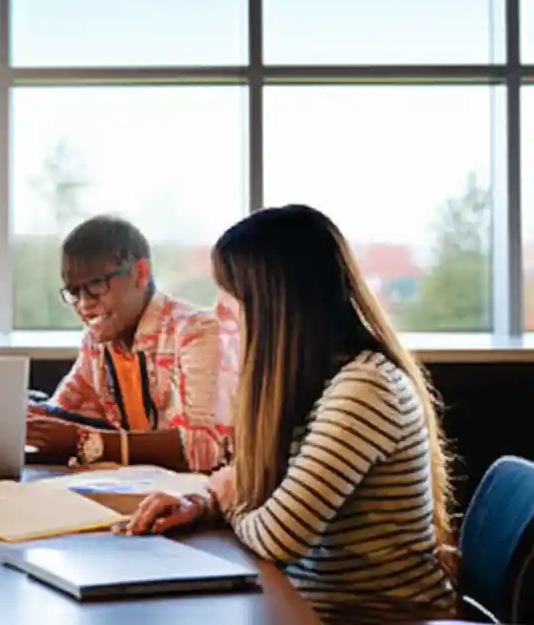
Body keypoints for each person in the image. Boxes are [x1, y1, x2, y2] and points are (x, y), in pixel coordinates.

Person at [127, 205, 457, 623]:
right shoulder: (315, 380)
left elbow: (275, 539)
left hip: (370, 617)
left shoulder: (366, 389)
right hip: (303, 603)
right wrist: (204, 502)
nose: (221, 310)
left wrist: (227, 497)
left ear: (275, 302)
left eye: (231, 292)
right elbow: (258, 501)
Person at [26, 215, 237, 473]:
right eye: (74, 292)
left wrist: (85, 441)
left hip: (202, 500)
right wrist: (33, 418)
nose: (84, 304)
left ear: (141, 274)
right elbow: (63, 412)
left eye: (95, 285)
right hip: (139, 493)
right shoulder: (97, 343)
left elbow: (205, 447)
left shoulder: (198, 332)